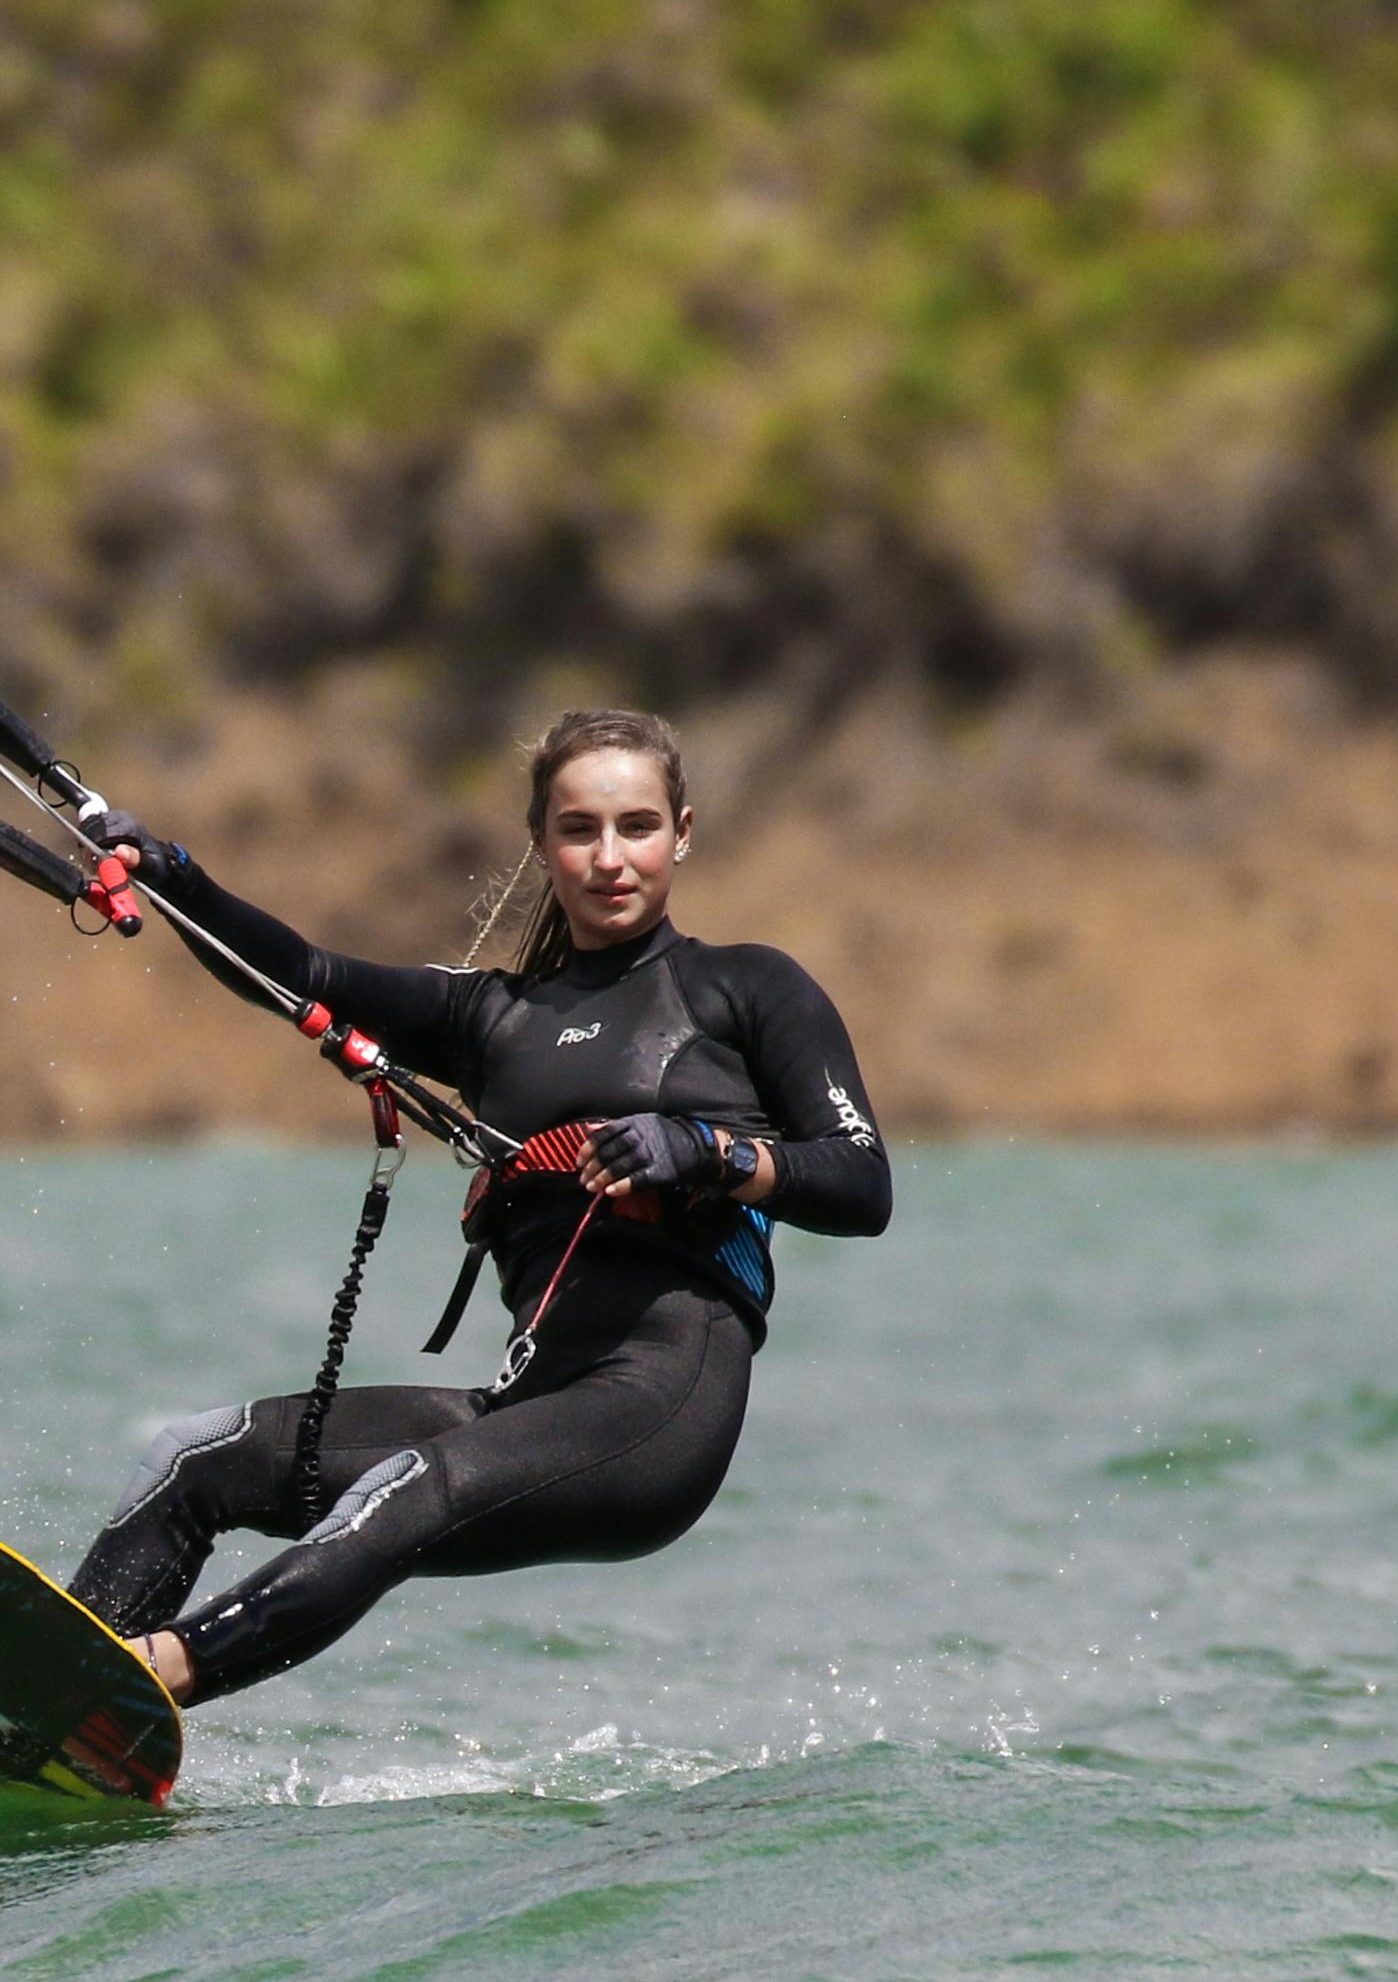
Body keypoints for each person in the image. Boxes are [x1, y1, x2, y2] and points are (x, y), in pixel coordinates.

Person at [66, 707, 890, 1705]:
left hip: (659, 1402)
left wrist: (708, 1151)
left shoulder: (745, 990)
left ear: (682, 831)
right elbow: (303, 976)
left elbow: (859, 1184)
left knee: (399, 1492)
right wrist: (176, 880)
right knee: (198, 1458)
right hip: (525, 1402)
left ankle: (140, 1681)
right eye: (579, 830)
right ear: (541, 843)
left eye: (636, 826)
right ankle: (41, 1690)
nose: (609, 857)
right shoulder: (493, 1017)